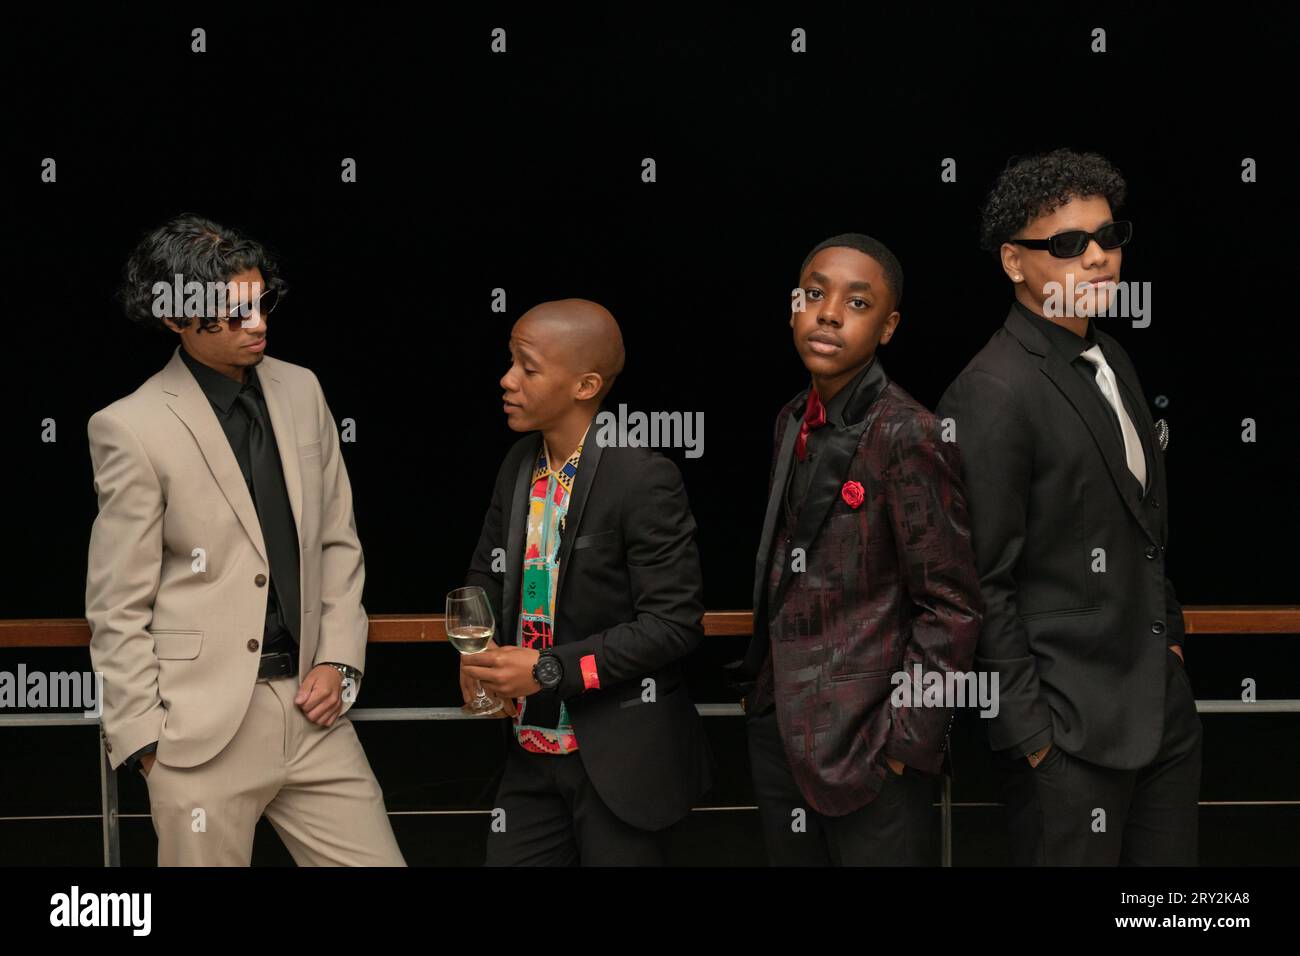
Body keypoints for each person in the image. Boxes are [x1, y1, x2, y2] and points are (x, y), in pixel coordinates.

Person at [85, 213, 404, 865]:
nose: (256, 324)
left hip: (315, 713)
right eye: (231, 315)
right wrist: (146, 743)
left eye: (260, 304)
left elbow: (337, 542)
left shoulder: (302, 389)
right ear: (174, 318)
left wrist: (340, 659)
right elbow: (116, 602)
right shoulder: (129, 427)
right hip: (196, 736)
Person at [937, 149, 1202, 865]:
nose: (1097, 258)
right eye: (1066, 244)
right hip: (1066, 736)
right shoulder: (992, 390)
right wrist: (1032, 739)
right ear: (1014, 264)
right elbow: (977, 582)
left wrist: (1171, 644)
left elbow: (1144, 528)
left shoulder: (1112, 357)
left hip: (1160, 713)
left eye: (1108, 238)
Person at [736, 233, 982, 865]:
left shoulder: (910, 432)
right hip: (779, 734)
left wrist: (903, 746)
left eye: (858, 302)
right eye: (814, 294)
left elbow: (950, 606)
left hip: (870, 750)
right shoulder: (792, 415)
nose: (828, 312)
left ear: (888, 326)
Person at [461, 298, 712, 865]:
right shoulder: (518, 463)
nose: (507, 380)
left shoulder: (643, 476)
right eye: (510, 362)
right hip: (529, 748)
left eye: (527, 367)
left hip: (620, 760)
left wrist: (549, 670)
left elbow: (673, 626)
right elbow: (485, 571)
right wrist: (474, 652)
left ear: (585, 385)